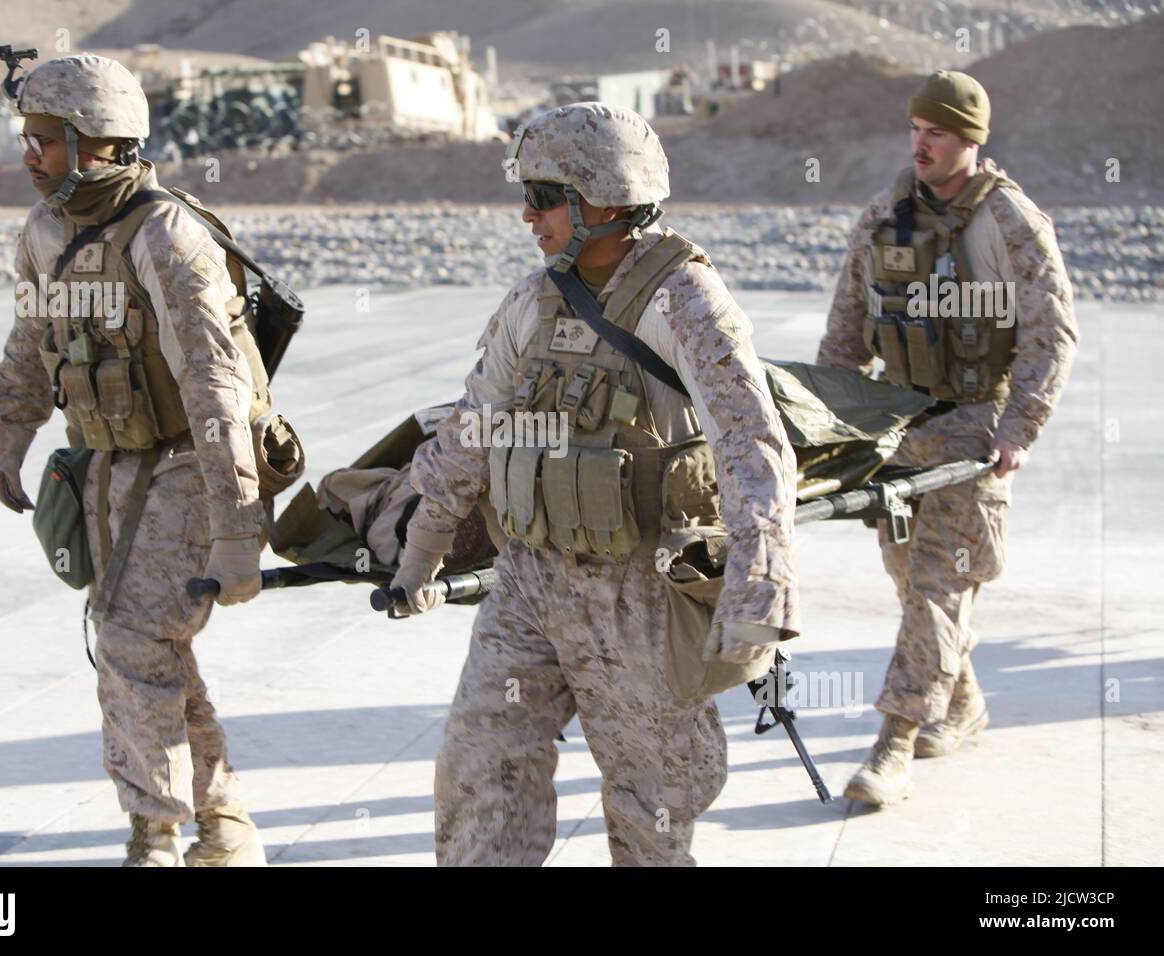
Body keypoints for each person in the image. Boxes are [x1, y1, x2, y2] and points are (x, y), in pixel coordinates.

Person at [390, 103, 800, 865]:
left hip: (640, 595)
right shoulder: (532, 299)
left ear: (603, 198)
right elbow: (471, 430)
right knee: (481, 773)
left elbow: (753, 445)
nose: (526, 215)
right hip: (528, 588)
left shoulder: (684, 301)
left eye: (544, 196)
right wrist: (421, 552)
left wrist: (760, 593)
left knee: (653, 810)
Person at [0, 53, 271, 865]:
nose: (29, 154)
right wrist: (10, 436)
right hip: (110, 465)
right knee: (152, 646)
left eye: (44, 139)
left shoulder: (165, 235)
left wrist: (238, 527)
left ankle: (156, 830)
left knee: (128, 640)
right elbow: (29, 345)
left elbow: (215, 389)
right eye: (27, 137)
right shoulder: (45, 233)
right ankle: (224, 827)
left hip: (190, 464)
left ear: (98, 142)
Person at [815, 71, 1078, 806]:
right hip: (899, 432)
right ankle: (961, 702)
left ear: (970, 138)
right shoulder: (882, 219)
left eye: (936, 131)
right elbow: (843, 338)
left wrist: (1018, 429)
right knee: (912, 590)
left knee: (936, 590)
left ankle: (894, 740)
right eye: (915, 129)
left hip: (972, 430)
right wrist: (833, 434)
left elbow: (1051, 336)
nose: (920, 142)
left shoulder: (1011, 223)